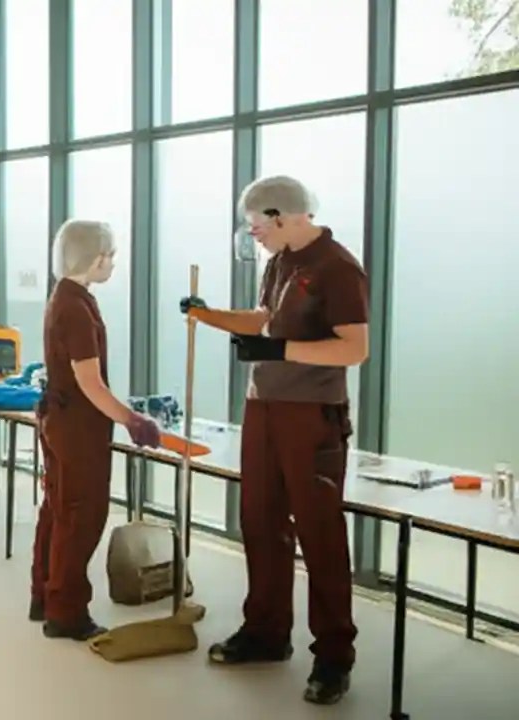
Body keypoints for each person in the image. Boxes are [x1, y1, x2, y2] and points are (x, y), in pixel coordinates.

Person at [181, 176, 367, 705]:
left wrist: (280, 353)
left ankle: (334, 656)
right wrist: (207, 314)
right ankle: (265, 632)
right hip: (263, 408)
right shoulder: (279, 261)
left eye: (257, 227)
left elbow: (354, 348)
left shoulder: (339, 268)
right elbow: (263, 321)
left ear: (284, 217)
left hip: (312, 416)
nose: (254, 236)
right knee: (259, 520)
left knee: (319, 532)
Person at [30, 219, 161, 640]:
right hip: (77, 428)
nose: (113, 264)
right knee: (80, 516)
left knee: (57, 509)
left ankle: (46, 596)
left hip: (60, 420)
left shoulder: (66, 298)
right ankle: (66, 612)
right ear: (96, 257)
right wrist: (133, 420)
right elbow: (90, 382)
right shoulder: (76, 308)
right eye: (111, 256)